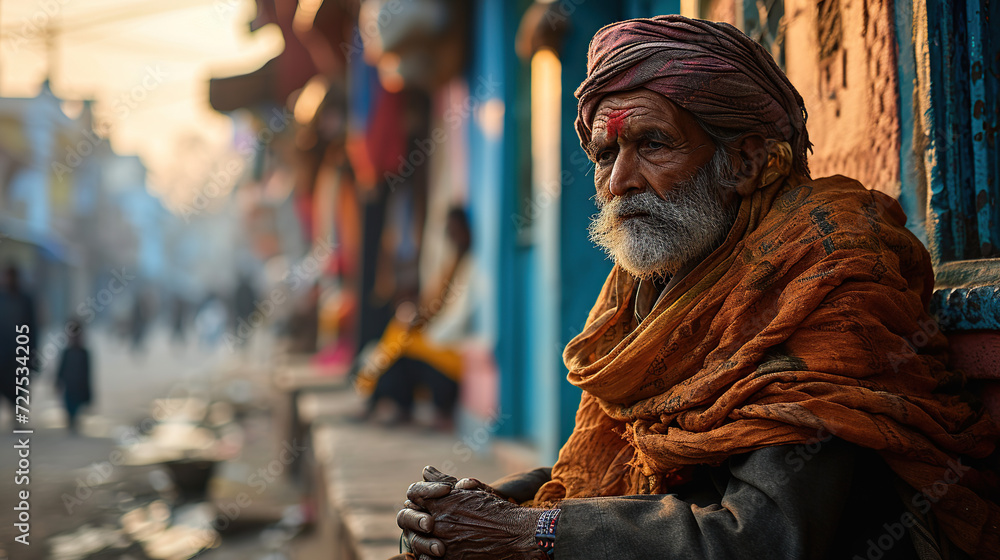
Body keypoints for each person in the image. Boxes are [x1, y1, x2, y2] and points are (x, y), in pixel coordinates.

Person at [392, 15, 1000, 560]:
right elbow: (634, 466)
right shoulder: (652, 286)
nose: (621, 180)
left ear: (745, 160)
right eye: (606, 154)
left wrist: (532, 533)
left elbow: (761, 538)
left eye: (652, 144)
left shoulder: (827, 276)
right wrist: (491, 508)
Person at [354, 207, 473, 429]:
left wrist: (427, 334)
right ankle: (375, 396)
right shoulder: (451, 266)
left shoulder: (472, 268)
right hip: (440, 344)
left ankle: (378, 399)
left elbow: (459, 320)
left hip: (452, 354)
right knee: (397, 335)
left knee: (401, 348)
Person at [0, 265, 36, 427]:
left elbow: (32, 328)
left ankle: (17, 416)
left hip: (20, 353)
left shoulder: (25, 300)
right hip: (2, 353)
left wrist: (33, 352)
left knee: (19, 386)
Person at [55, 319, 92, 435]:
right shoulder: (66, 353)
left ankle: (74, 421)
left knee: (76, 406)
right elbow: (61, 369)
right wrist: (57, 381)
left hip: (79, 387)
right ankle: (71, 421)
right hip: (69, 386)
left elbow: (88, 373)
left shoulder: (84, 353)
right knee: (69, 405)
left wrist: (89, 392)